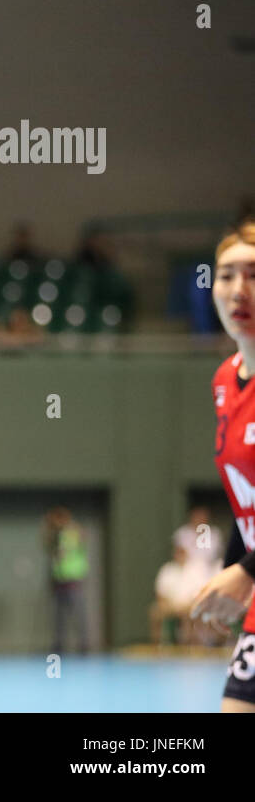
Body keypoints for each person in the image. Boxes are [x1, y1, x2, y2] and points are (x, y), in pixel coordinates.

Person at [190, 219, 255, 713]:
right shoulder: (224, 381)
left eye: (253, 275)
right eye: (228, 275)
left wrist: (246, 572)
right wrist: (236, 569)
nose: (239, 290)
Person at [43, 506, 90, 654]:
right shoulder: (56, 535)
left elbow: (64, 552)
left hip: (73, 580)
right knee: (59, 618)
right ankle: (59, 646)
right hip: (59, 581)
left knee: (78, 614)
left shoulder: (72, 533)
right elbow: (46, 546)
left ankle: (84, 646)